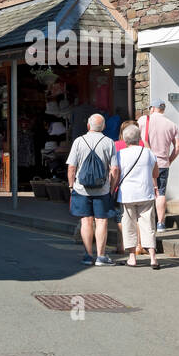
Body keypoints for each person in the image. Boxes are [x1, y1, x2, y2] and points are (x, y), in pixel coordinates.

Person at [66, 113, 116, 266]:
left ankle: (88, 255)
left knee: (86, 221)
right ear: (104, 127)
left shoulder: (79, 141)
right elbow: (114, 169)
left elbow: (72, 168)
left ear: (88, 126)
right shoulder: (109, 142)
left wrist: (71, 186)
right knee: (101, 222)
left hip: (82, 189)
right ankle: (101, 257)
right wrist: (111, 187)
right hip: (102, 189)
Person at [112, 122, 160, 268]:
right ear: (139, 138)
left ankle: (132, 258)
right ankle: (153, 258)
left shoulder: (120, 154)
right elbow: (156, 173)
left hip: (127, 195)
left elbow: (116, 173)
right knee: (149, 226)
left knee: (128, 225)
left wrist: (112, 188)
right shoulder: (148, 153)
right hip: (146, 193)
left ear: (124, 139)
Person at [139, 100, 179, 233]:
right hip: (163, 164)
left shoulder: (142, 121)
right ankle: (161, 224)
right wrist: (169, 160)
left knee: (146, 193)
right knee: (160, 193)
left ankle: (147, 223)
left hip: (146, 163)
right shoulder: (172, 124)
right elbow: (178, 147)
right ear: (163, 109)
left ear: (152, 108)